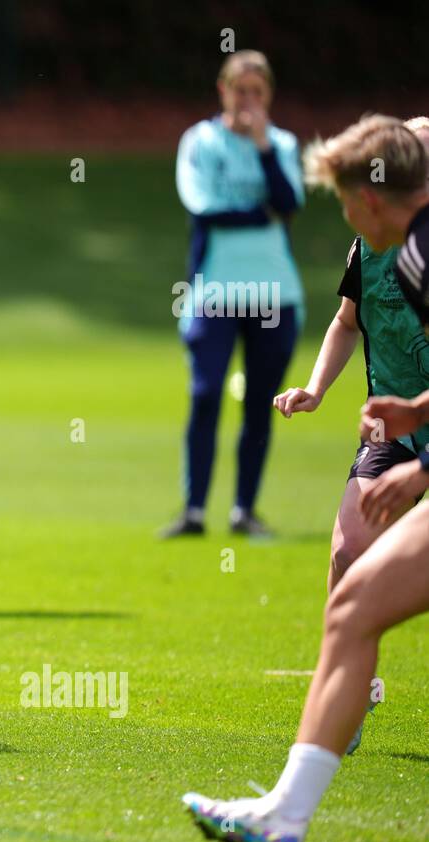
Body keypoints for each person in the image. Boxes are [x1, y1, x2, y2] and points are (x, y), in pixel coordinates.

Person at [184, 115, 429, 842]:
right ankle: (286, 813)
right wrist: (414, 414)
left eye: (347, 200)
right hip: (404, 442)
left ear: (374, 200)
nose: (345, 216)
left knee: (354, 606)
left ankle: (285, 813)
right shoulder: (401, 250)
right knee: (351, 602)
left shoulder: (421, 254)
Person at [272, 116, 429, 754]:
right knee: (347, 552)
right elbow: (346, 323)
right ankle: (351, 690)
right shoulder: (372, 243)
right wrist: (316, 388)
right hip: (395, 423)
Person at [163, 50, 305, 539]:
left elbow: (289, 204)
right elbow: (203, 207)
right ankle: (194, 510)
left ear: (268, 98)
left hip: (274, 292)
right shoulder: (200, 141)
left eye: (257, 92)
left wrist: (264, 149)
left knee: (260, 402)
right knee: (205, 396)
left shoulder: (281, 144)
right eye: (239, 90)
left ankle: (244, 509)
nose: (247, 101)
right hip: (216, 290)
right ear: (222, 90)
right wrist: (258, 212)